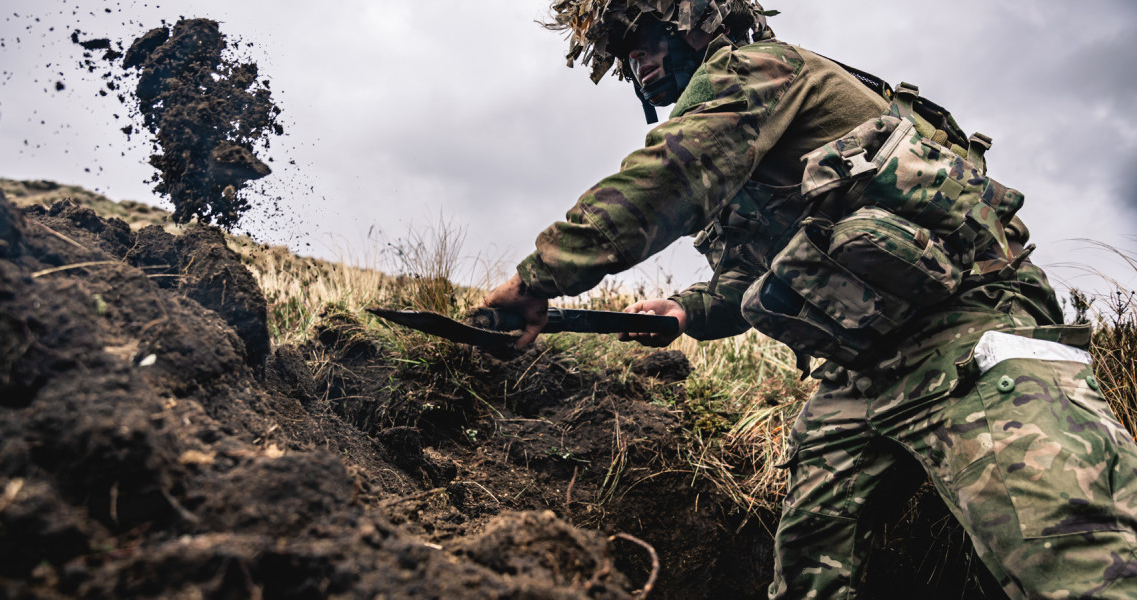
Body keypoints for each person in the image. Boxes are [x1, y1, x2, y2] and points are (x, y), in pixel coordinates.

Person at [481, 1, 1137, 598]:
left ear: (692, 21)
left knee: (1080, 561)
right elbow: (746, 280)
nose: (637, 62)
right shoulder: (743, 150)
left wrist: (538, 277)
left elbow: (671, 176)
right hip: (863, 367)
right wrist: (685, 310)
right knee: (808, 574)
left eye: (644, 37)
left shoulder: (755, 70)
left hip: (968, 325)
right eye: (623, 55)